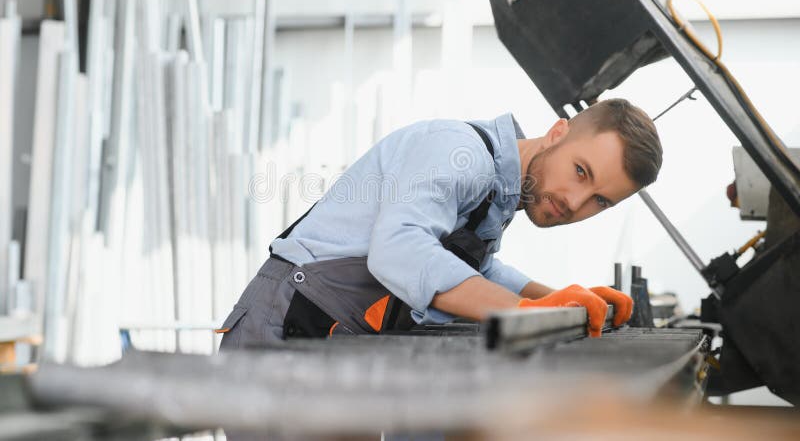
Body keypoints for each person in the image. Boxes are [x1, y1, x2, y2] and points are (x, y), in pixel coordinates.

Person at [216, 98, 662, 348]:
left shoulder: (501, 191)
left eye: (599, 200)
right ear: (557, 133)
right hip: (285, 327)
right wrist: (525, 314)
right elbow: (402, 251)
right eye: (581, 171)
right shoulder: (462, 153)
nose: (575, 201)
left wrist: (558, 298)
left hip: (332, 337)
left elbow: (476, 274)